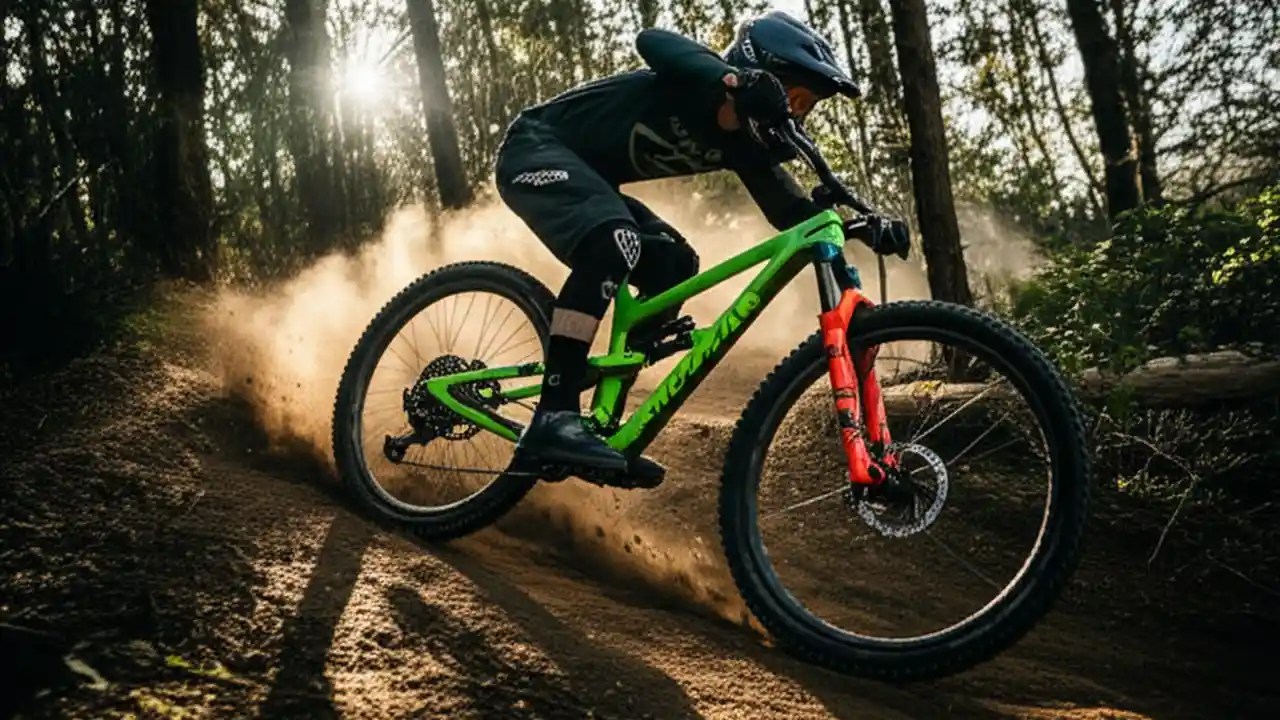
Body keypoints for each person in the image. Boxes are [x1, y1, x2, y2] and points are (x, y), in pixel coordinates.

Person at [495, 11, 866, 482]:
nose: (795, 112)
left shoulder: (741, 146)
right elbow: (651, 39)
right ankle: (554, 413)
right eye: (794, 96)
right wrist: (734, 78)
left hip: (593, 181)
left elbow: (790, 212)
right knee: (615, 242)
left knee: (675, 264)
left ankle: (601, 429)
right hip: (534, 147)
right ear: (761, 74)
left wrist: (859, 225)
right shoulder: (697, 80)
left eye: (806, 106)